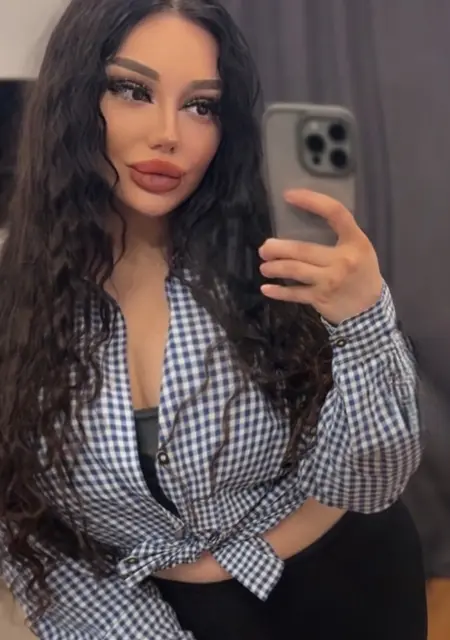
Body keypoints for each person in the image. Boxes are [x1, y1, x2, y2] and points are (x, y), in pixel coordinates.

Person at [0, 0, 426, 638]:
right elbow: (31, 531)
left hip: (350, 584)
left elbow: (370, 483)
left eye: (202, 105)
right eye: (133, 90)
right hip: (166, 614)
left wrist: (363, 321)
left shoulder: (274, 263)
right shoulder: (16, 302)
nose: (169, 133)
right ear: (73, 97)